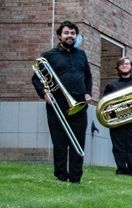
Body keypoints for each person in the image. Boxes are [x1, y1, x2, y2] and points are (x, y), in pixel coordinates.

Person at [31, 21, 92, 183]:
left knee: (78, 140)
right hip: (57, 103)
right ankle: (61, 175)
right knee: (59, 141)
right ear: (59, 36)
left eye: (73, 33)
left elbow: (88, 76)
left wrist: (88, 92)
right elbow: (36, 78)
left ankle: (75, 177)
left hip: (79, 102)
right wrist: (44, 93)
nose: (70, 36)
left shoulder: (82, 55)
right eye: (66, 33)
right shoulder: (48, 55)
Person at [101, 56, 132, 176]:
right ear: (118, 67)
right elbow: (105, 103)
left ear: (131, 67)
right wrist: (109, 109)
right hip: (117, 119)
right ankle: (121, 169)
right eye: (122, 64)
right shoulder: (112, 85)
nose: (125, 65)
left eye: (127, 63)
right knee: (118, 145)